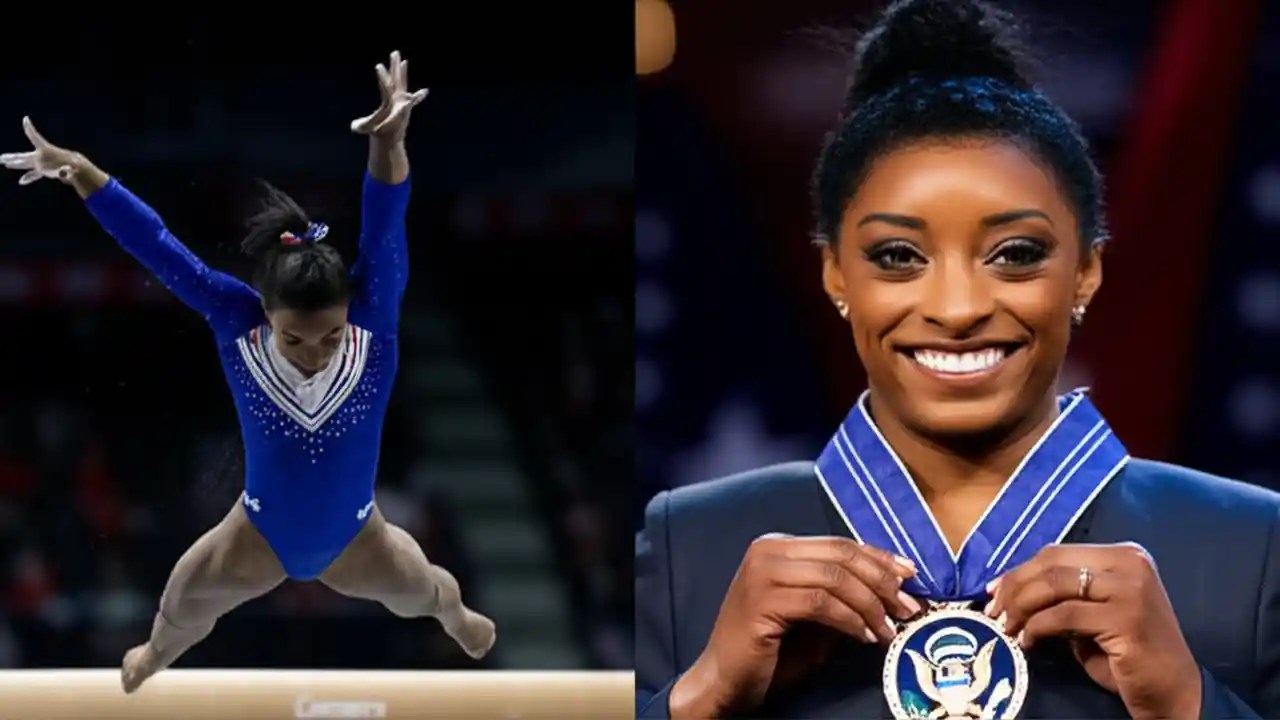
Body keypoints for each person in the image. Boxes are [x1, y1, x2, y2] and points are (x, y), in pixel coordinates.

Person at [634, 1, 1280, 718]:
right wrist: (702, 695)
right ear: (836, 276)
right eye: (898, 256)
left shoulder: (1250, 547)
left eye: (1015, 254)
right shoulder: (690, 545)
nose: (958, 308)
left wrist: (1190, 700)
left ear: (1087, 273)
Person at [1, 50, 496, 693]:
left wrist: (388, 143)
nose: (315, 352)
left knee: (426, 591)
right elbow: (158, 246)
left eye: (330, 336)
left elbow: (385, 225)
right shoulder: (234, 319)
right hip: (257, 533)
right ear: (265, 312)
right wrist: (86, 173)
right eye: (294, 338)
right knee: (181, 603)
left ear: (350, 312)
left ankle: (456, 618)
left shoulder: (375, 321)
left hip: (357, 535)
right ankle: (155, 653)